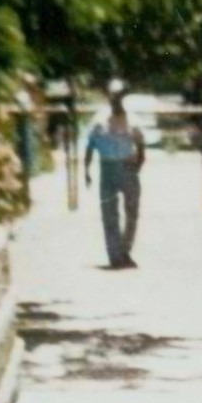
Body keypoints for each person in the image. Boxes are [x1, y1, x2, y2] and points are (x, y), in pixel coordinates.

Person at [83, 80, 146, 269]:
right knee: (109, 213)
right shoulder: (99, 120)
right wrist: (86, 170)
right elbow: (90, 146)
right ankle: (114, 255)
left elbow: (141, 144)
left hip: (127, 166)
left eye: (119, 96)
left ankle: (125, 250)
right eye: (113, 96)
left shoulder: (132, 119)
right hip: (107, 167)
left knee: (132, 212)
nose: (116, 100)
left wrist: (138, 164)